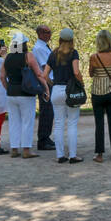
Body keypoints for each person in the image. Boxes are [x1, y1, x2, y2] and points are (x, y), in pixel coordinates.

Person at [44, 28, 83, 164]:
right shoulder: (73, 53)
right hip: (70, 90)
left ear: (60, 39)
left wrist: (53, 83)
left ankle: (60, 155)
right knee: (72, 123)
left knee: (59, 124)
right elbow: (76, 72)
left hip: (57, 90)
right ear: (72, 39)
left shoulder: (53, 54)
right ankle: (72, 155)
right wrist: (81, 83)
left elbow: (44, 75)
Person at [3, 32, 43, 158]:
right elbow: (38, 74)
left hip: (11, 93)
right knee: (27, 121)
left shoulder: (7, 57)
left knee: (14, 121)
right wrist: (45, 87)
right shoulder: (28, 56)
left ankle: (14, 149)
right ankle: (26, 150)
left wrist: (8, 88)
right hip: (26, 92)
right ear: (24, 44)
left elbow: (2, 77)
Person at [88, 30, 111, 162]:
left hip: (97, 92)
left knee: (99, 124)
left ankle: (100, 155)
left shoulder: (94, 57)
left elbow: (91, 74)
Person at [33, 25, 56, 151]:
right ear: (40, 33)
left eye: (50, 32)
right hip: (46, 83)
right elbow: (45, 68)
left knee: (49, 111)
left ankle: (46, 137)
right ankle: (43, 139)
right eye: (47, 32)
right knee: (46, 111)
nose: (49, 34)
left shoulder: (43, 46)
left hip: (49, 81)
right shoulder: (39, 48)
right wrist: (49, 84)